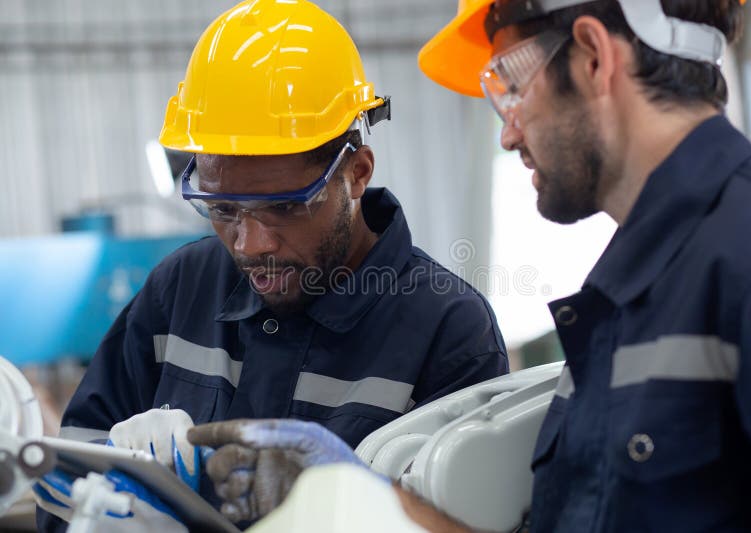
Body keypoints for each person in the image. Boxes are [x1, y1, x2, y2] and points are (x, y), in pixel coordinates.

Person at [189, 0, 751, 531]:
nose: (507, 132)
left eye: (509, 80)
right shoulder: (640, 287)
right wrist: (366, 498)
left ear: (592, 56)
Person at [35, 0, 509, 530]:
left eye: (285, 207)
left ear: (355, 174)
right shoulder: (180, 289)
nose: (251, 244)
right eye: (223, 209)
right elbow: (58, 474)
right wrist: (111, 491)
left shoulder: (448, 329)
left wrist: (360, 505)